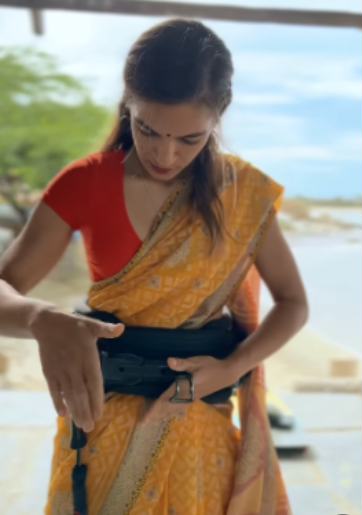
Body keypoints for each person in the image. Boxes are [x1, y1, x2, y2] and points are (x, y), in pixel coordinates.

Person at [0, 19, 307, 514]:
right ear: (129, 103)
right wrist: (39, 318)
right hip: (101, 426)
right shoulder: (84, 183)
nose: (166, 154)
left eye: (190, 139)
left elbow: (293, 304)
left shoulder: (241, 193)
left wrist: (232, 366)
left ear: (219, 114)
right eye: (148, 130)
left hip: (199, 423)